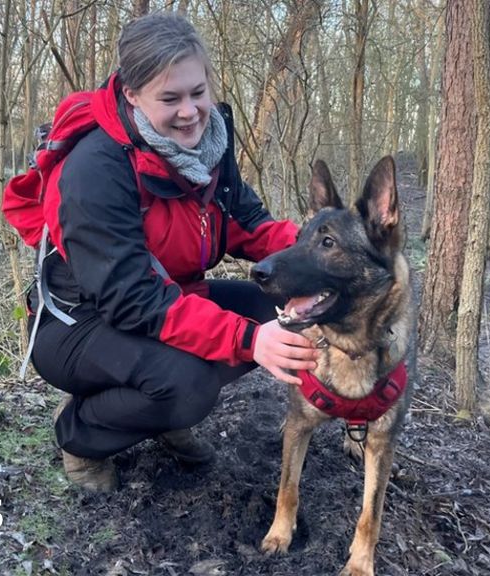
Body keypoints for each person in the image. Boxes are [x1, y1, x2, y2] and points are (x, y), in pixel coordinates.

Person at [29, 12, 318, 492]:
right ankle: (82, 432)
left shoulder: (210, 142)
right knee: (188, 384)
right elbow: (133, 300)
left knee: (280, 312)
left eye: (197, 93)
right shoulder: (96, 169)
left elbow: (248, 222)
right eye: (170, 98)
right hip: (82, 322)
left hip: (169, 298)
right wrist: (249, 340)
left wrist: (324, 255)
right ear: (132, 95)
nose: (190, 112)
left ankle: (153, 414)